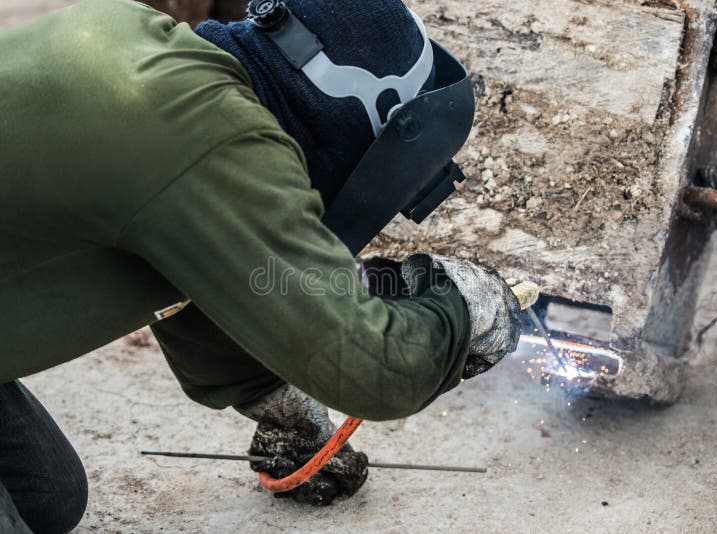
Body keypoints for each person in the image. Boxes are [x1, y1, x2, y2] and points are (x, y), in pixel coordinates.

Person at [0, 0, 523, 529]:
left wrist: (281, 409)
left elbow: (196, 270)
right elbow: (376, 371)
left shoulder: (150, 52)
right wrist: (463, 307)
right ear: (359, 113)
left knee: (47, 498)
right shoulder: (206, 137)